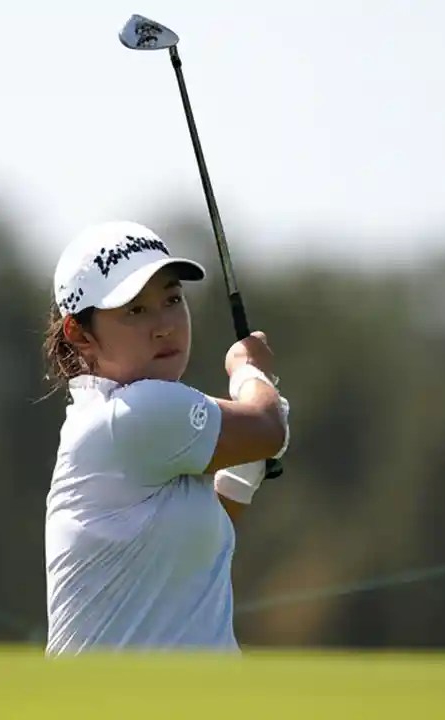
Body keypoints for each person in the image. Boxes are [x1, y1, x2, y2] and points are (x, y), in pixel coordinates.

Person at [41, 220, 290, 656]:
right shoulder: (137, 413)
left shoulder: (121, 420)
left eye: (172, 299)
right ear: (78, 333)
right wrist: (250, 370)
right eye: (135, 310)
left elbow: (187, 565)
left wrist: (237, 480)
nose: (164, 326)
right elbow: (268, 427)